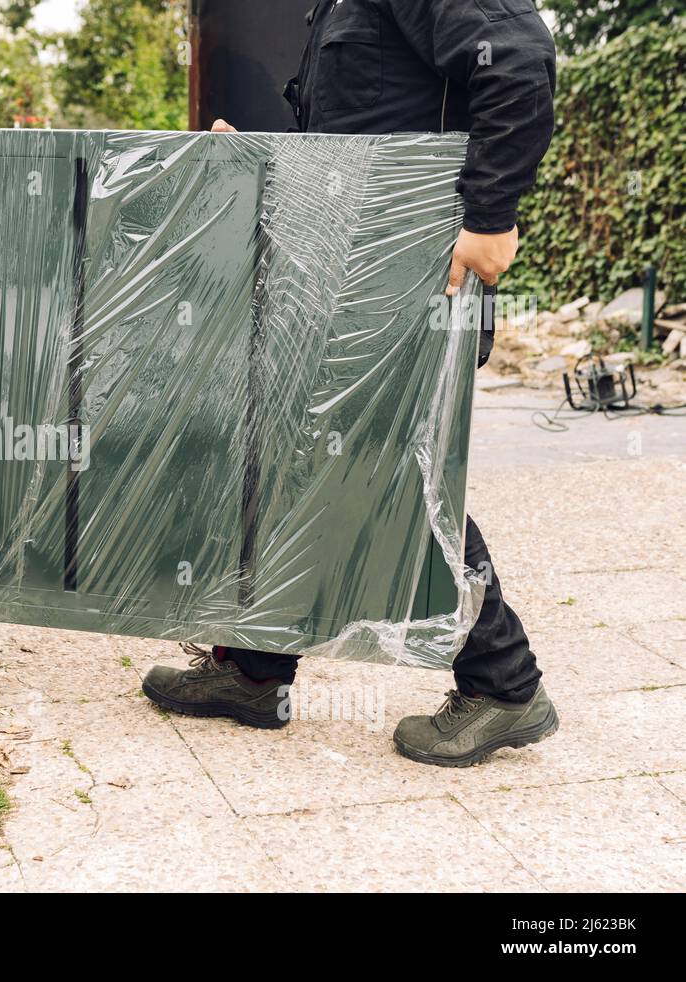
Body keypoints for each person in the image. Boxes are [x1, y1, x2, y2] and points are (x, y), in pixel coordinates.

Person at [142, 0, 560, 766]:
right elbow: (363, 133)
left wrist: (491, 215)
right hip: (349, 269)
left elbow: (517, 58)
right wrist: (269, 156)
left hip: (416, 280)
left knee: (392, 478)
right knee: (291, 460)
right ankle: (257, 668)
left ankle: (505, 684)